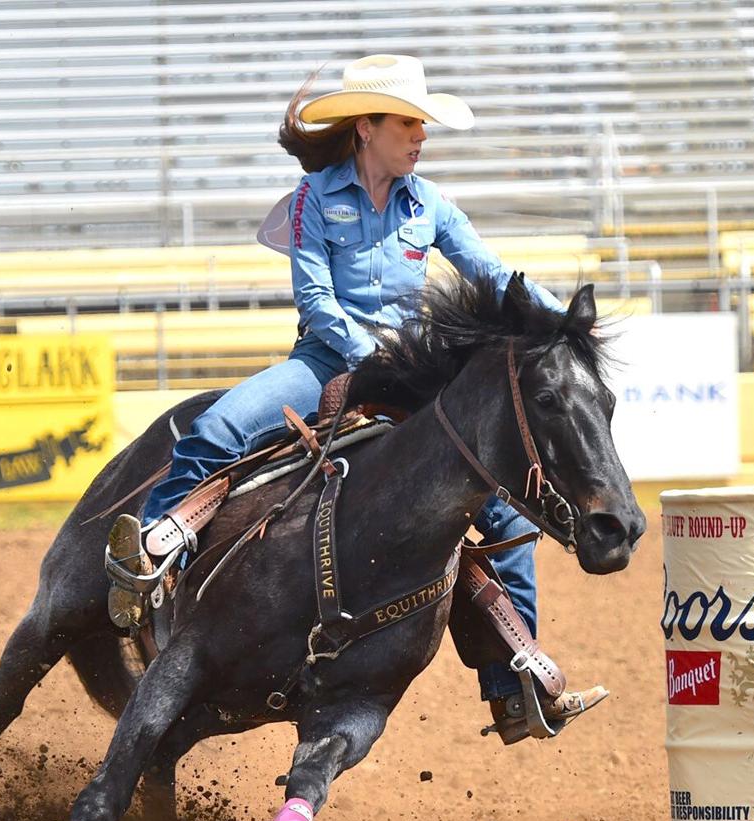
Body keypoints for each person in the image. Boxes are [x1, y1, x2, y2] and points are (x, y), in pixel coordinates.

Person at [107, 54, 606, 742]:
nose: (421, 135)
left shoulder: (429, 203)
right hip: (327, 364)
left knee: (503, 511)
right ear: (366, 127)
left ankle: (514, 684)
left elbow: (493, 274)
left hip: (412, 382)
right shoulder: (315, 197)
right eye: (408, 122)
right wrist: (377, 357)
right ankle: (151, 568)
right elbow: (316, 300)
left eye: (422, 124)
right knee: (218, 428)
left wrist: (565, 321)